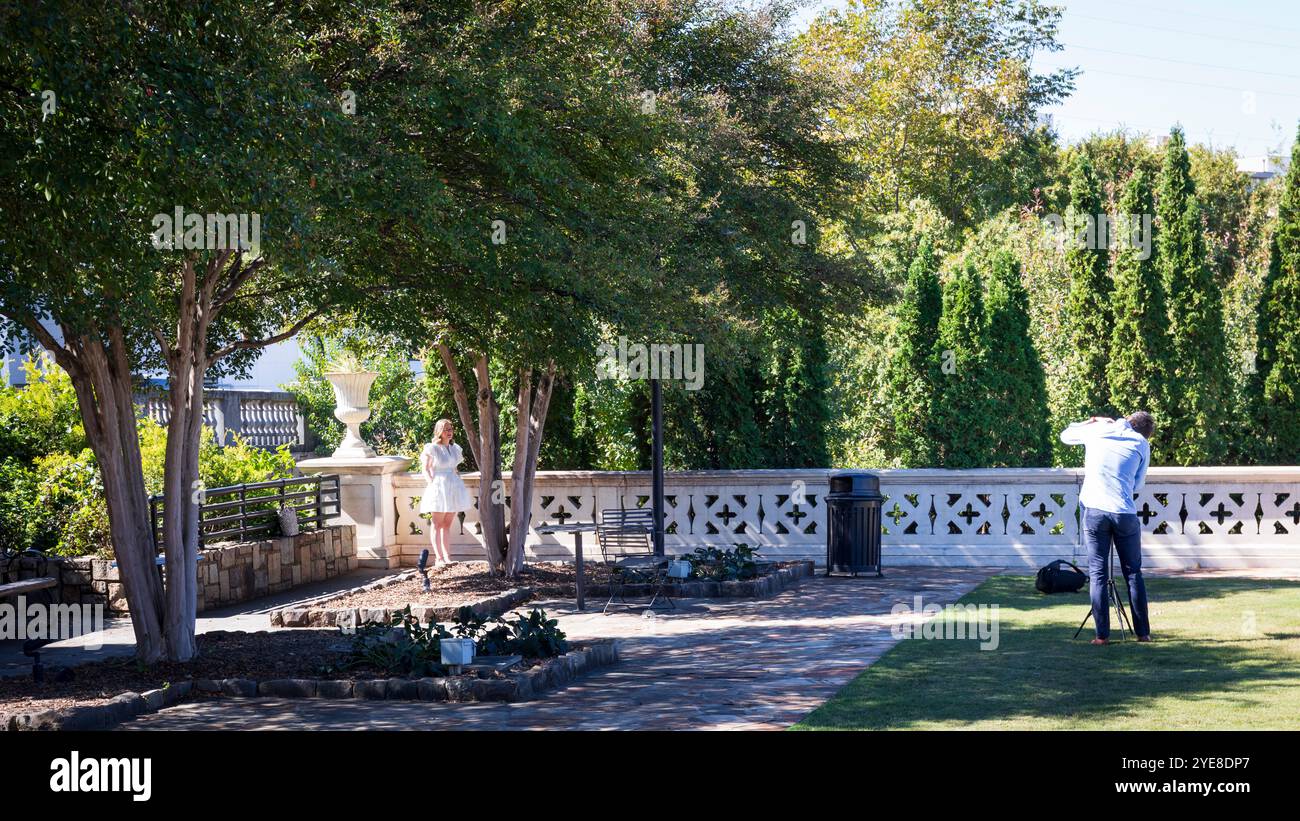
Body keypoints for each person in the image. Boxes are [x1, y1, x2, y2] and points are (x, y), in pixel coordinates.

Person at [1059, 411, 1155, 645]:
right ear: (1144, 432)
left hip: (1095, 510)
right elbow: (1138, 483)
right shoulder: (1141, 444)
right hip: (1124, 511)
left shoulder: (1098, 430)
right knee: (1133, 573)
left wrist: (1090, 422)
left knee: (1098, 574)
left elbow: (1066, 435)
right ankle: (1143, 633)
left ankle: (1102, 636)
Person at [418, 419, 473, 568]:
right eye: (446, 429)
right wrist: (432, 483)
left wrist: (457, 483)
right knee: (437, 524)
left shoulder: (455, 449)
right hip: (438, 487)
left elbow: (454, 468)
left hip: (452, 487)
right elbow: (426, 468)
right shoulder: (433, 448)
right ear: (439, 431)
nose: (449, 431)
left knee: (447, 524)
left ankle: (447, 556)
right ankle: (439, 558)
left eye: (451, 429)